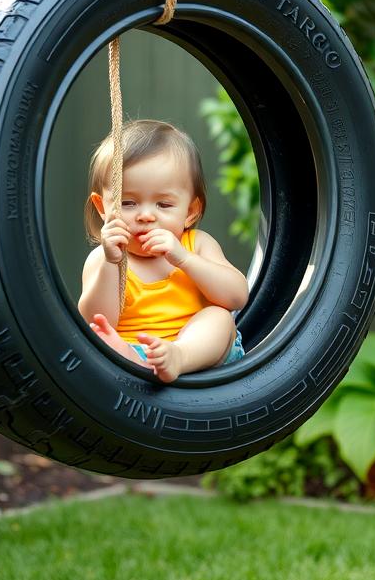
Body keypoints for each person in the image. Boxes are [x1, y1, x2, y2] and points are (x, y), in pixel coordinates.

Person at [78, 119, 248, 383]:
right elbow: (97, 319)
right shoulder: (103, 258)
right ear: (102, 207)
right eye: (128, 202)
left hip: (197, 351)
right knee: (97, 335)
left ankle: (177, 357)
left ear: (190, 211)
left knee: (219, 317)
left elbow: (237, 296)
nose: (146, 216)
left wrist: (184, 259)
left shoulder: (197, 244)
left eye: (164, 204)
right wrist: (111, 263)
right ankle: (140, 363)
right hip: (127, 352)